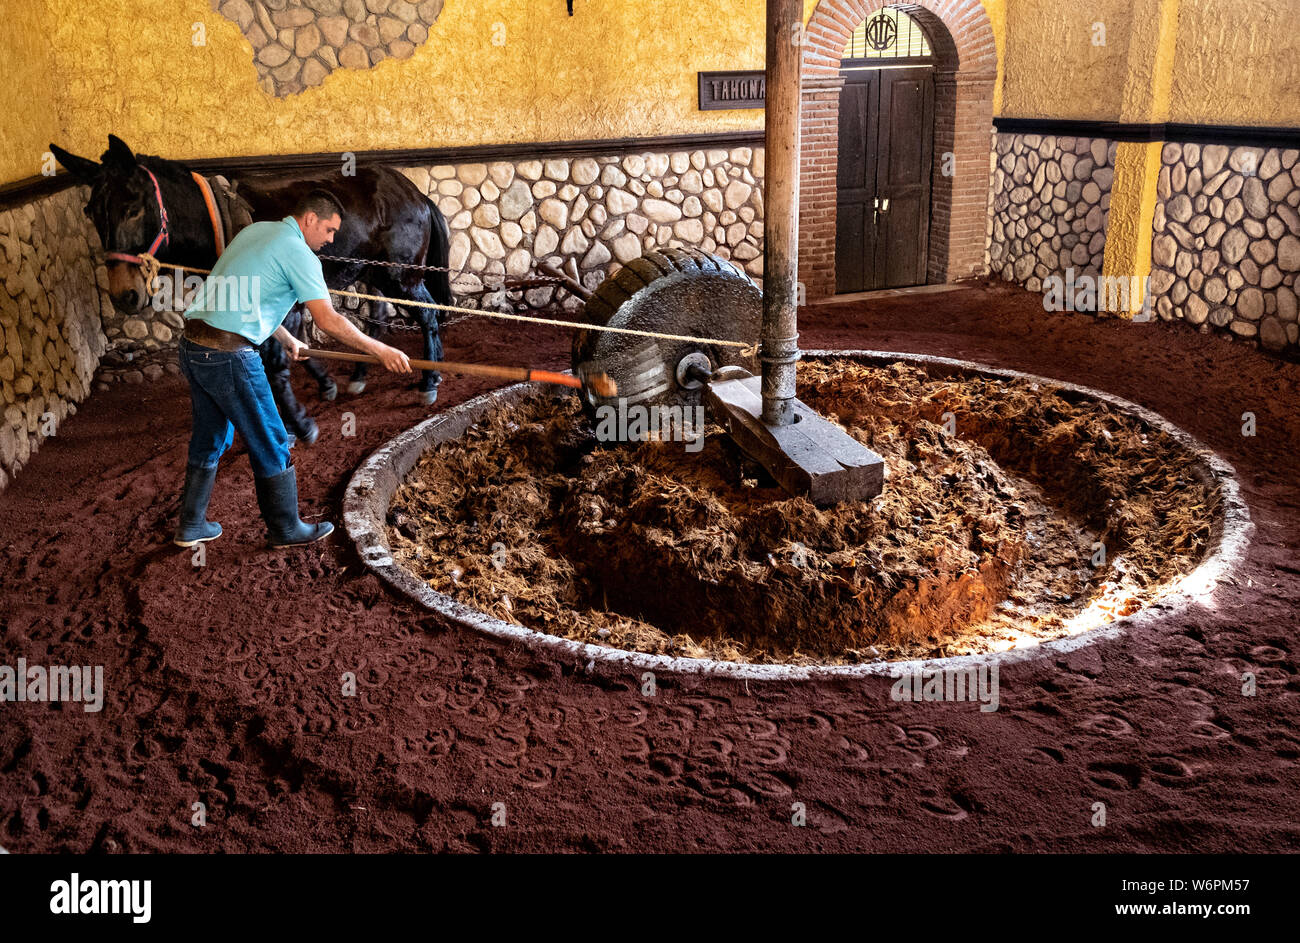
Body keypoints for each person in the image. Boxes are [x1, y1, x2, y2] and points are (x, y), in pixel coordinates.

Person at [173, 189, 411, 549]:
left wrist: (286, 338)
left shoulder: (255, 232)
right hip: (228, 355)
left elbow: (244, 297)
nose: (330, 241)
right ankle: (285, 529)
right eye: (329, 230)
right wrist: (379, 349)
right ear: (310, 219)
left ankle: (190, 526)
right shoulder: (300, 253)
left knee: (210, 437)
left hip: (194, 345)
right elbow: (328, 319)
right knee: (271, 438)